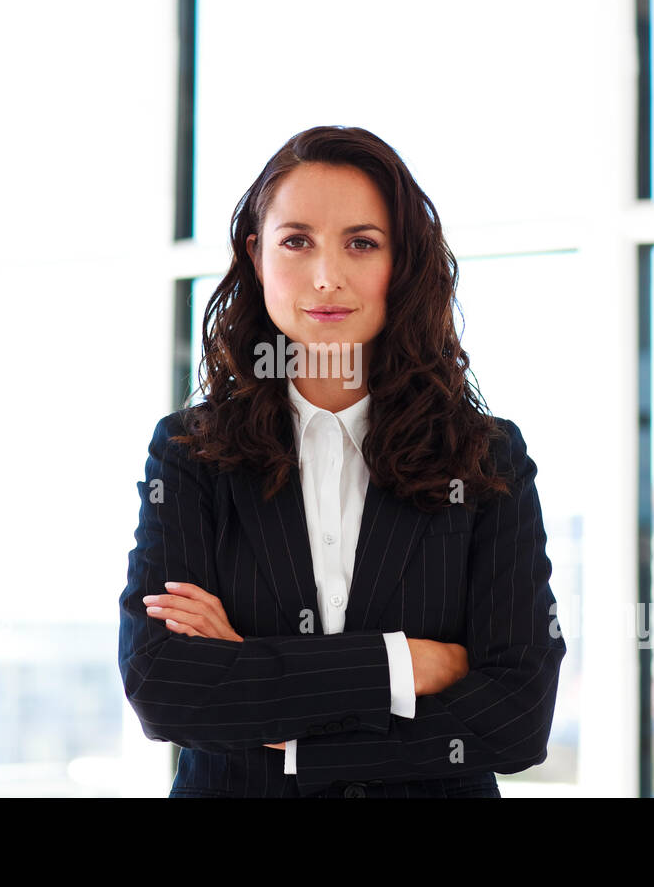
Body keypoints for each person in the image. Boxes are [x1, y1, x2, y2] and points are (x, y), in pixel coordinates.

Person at [117, 125, 565, 797]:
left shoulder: (483, 456)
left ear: (403, 262)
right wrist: (401, 665)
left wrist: (276, 709)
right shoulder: (191, 454)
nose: (327, 276)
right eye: (296, 241)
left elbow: (517, 718)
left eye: (362, 243)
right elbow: (164, 686)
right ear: (257, 254)